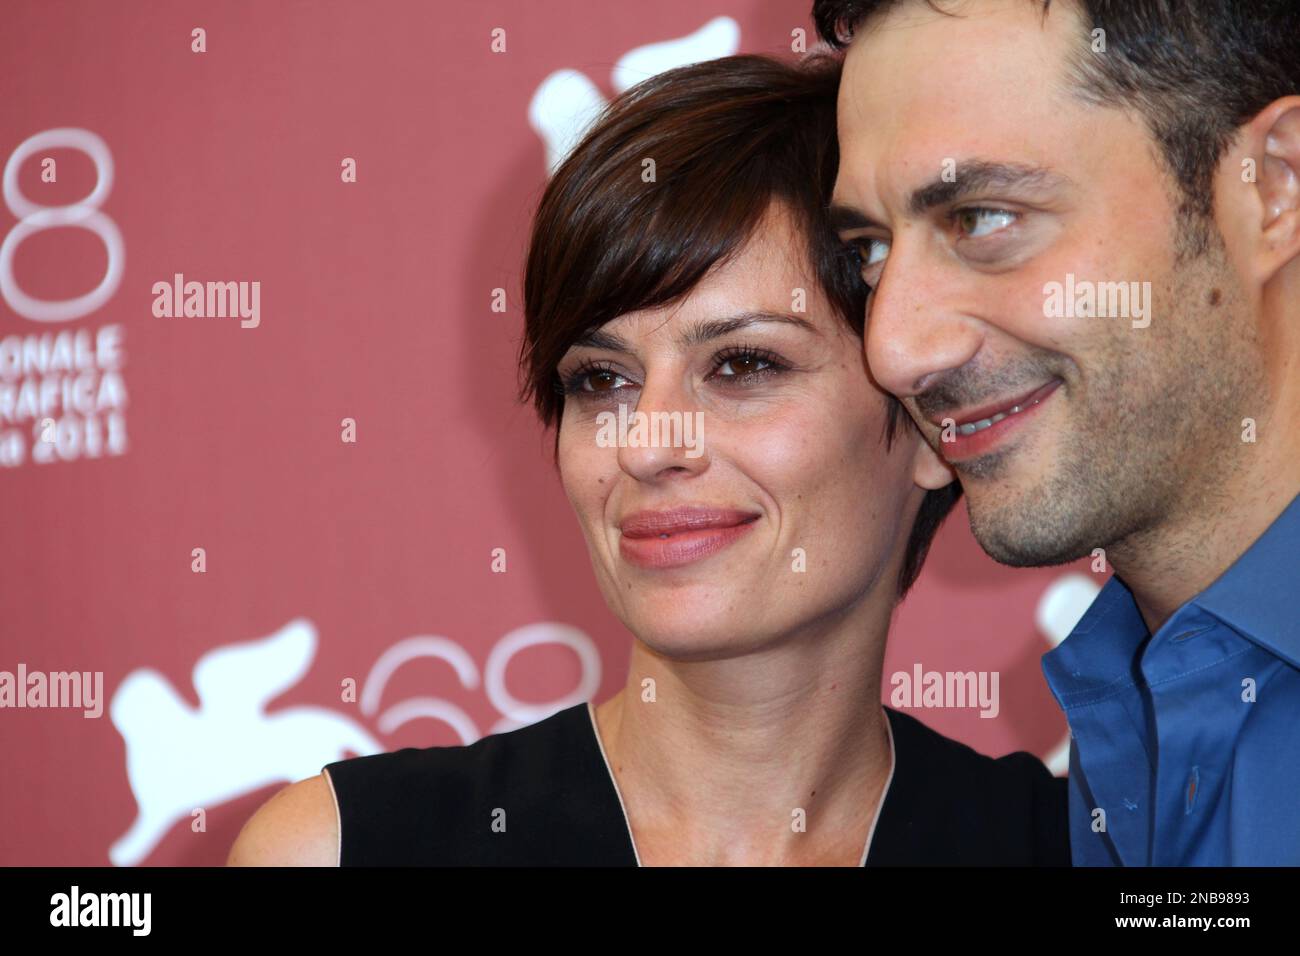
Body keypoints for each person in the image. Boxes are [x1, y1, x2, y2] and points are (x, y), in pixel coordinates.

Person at [227, 51, 1067, 867]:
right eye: (601, 380)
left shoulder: (1087, 852)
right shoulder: (344, 849)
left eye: (744, 365)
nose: (648, 445)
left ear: (927, 423)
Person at [815, 0, 1300, 866]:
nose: (892, 350)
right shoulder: (1131, 701)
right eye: (870, 250)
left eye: (981, 219)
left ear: (1274, 187)